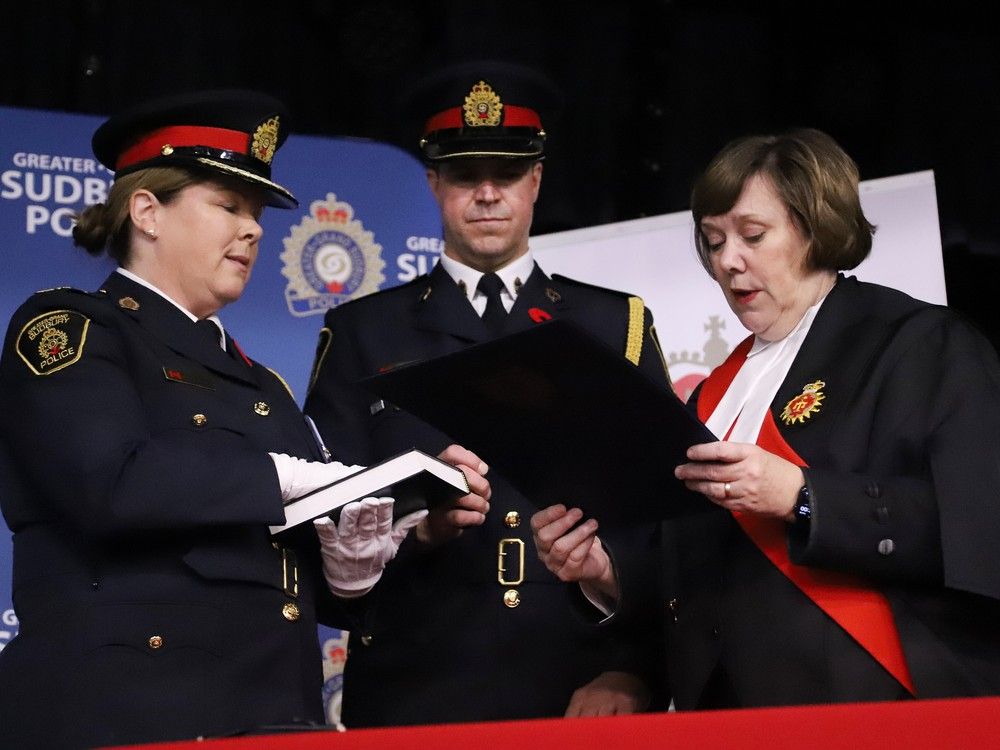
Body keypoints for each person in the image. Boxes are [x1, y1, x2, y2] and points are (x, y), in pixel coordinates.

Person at [0, 89, 488, 749]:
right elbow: (107, 481)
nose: (254, 229)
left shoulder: (265, 383)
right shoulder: (73, 327)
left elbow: (278, 576)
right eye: (227, 206)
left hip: (272, 715)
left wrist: (362, 561)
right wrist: (280, 477)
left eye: (256, 213)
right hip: (128, 717)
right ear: (147, 211)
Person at [532, 127, 1000, 708]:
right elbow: (697, 578)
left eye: (752, 235)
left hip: (873, 703)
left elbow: (979, 531)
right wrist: (605, 574)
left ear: (814, 227)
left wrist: (803, 497)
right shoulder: (711, 398)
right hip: (731, 715)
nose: (728, 261)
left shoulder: (922, 345)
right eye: (712, 240)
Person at [303, 60, 673, 726]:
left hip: (579, 693)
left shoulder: (613, 324)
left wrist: (635, 668)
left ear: (536, 180)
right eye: (465, 176)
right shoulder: (362, 331)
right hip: (417, 694)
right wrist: (421, 526)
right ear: (433, 183)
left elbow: (664, 528)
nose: (487, 195)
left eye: (505, 175)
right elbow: (323, 535)